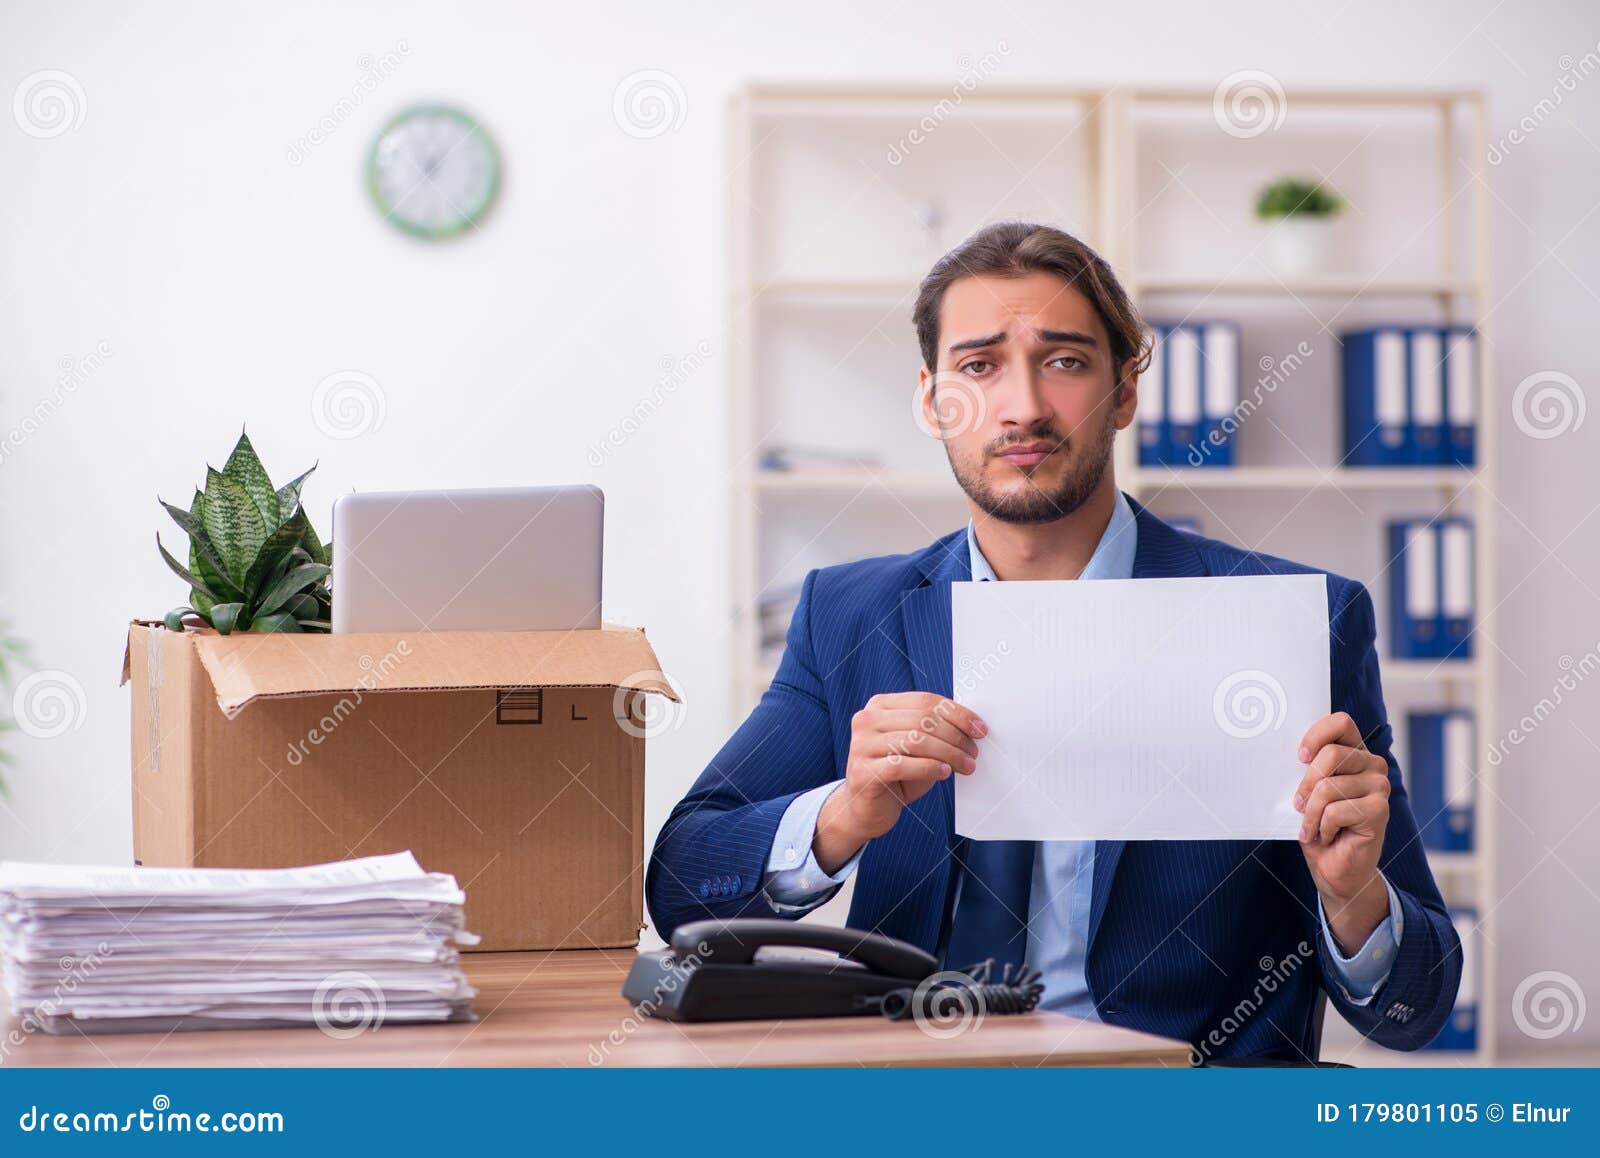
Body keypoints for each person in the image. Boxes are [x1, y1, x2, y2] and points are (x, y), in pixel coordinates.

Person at [646, 221, 1461, 1061]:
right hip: (920, 1098)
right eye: (979, 365)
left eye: (1065, 361)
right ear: (932, 401)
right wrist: (843, 817)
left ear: (1124, 394)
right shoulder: (850, 615)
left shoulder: (1295, 621)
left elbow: (1416, 1009)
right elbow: (679, 888)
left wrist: (1353, 896)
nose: (1024, 406)